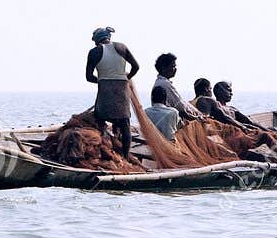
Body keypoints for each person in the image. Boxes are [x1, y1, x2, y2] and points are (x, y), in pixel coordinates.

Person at [84, 26, 139, 156]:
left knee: (100, 120)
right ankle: (125, 156)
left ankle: (101, 152)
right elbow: (136, 67)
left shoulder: (94, 52)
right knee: (125, 124)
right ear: (108, 37)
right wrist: (126, 78)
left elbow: (88, 77)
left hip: (105, 91)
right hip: (122, 90)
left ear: (97, 40)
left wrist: (102, 80)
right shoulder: (122, 47)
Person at [151, 53, 203, 122]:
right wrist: (196, 117)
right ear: (164, 68)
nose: (175, 69)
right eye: (173, 66)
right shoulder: (165, 84)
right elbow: (180, 107)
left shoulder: (160, 82)